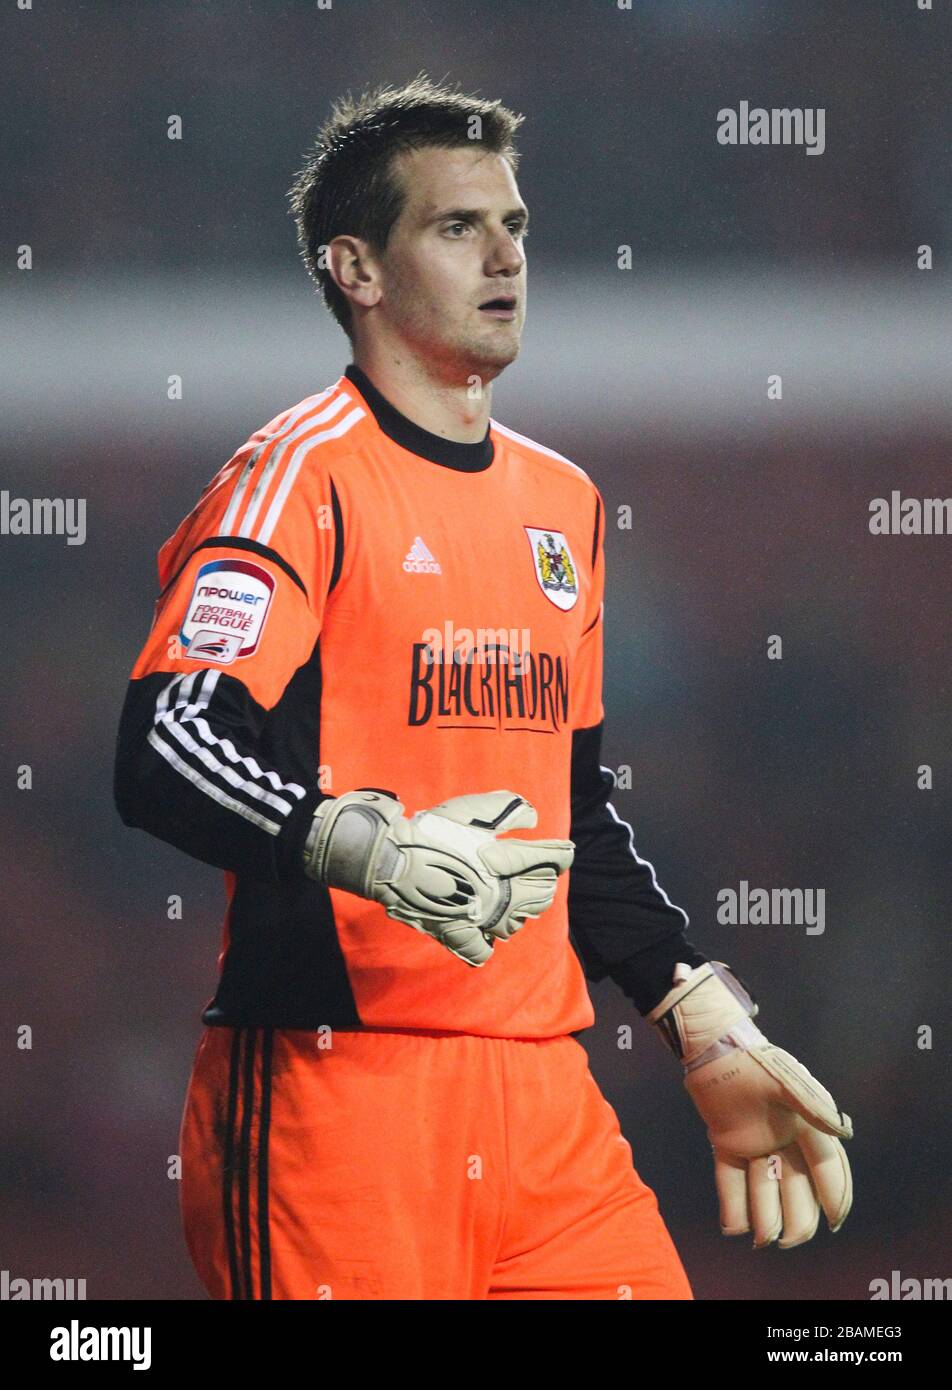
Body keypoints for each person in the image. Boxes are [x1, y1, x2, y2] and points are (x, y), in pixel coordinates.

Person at [113, 74, 853, 1301]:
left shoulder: (561, 504)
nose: (505, 253)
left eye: (514, 225)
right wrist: (364, 847)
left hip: (543, 1102)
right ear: (355, 267)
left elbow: (574, 808)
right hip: (332, 1095)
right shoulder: (295, 480)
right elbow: (168, 742)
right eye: (457, 226)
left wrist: (695, 1011)